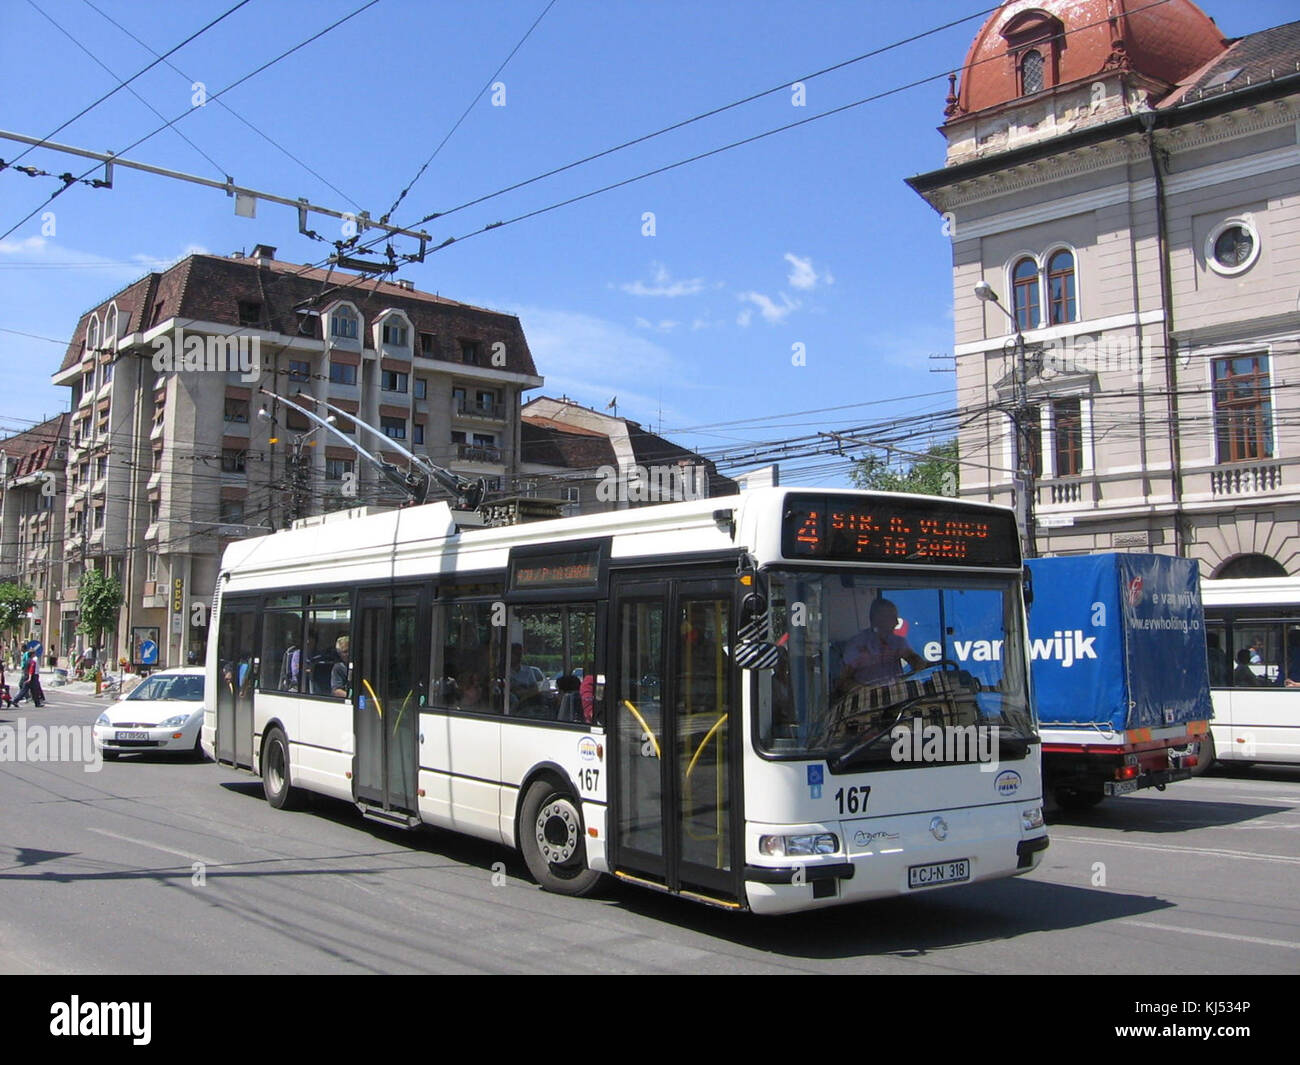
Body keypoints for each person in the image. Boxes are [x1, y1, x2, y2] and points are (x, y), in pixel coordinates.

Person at [837, 598, 926, 690]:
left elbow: (913, 659)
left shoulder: (897, 641)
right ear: (878, 619)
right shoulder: (857, 644)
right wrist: (865, 690)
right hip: (867, 700)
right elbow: (843, 681)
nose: (897, 623)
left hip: (898, 698)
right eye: (893, 617)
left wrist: (917, 661)